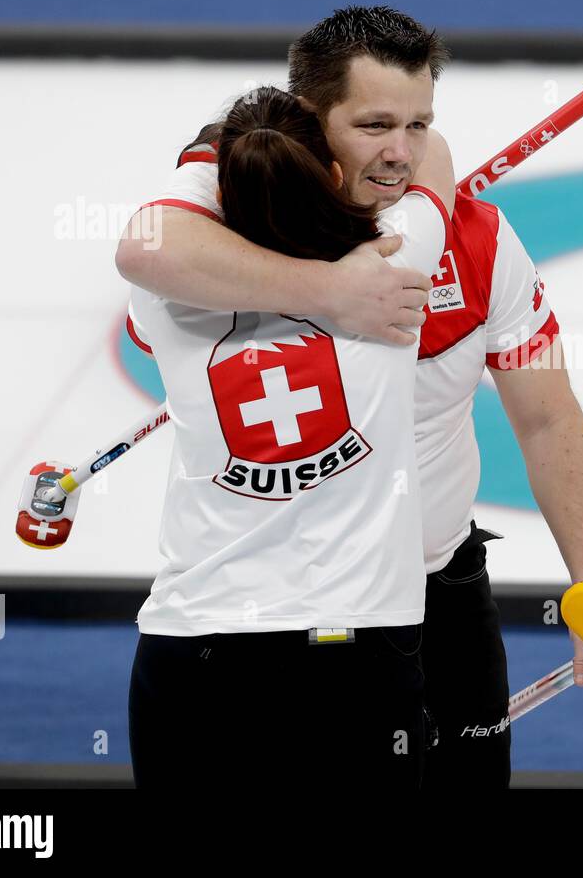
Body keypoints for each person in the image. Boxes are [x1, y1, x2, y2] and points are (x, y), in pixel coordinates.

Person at [117, 6, 583, 789]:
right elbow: (149, 246)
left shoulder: (478, 243)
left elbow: (550, 420)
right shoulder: (383, 249)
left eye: (419, 124)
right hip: (359, 634)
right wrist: (339, 292)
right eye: (376, 123)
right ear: (307, 126)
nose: (403, 150)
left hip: (430, 590)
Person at [124, 84, 455, 790]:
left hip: (193, 648)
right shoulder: (400, 258)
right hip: (356, 652)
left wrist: (229, 145)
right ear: (334, 174)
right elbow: (431, 161)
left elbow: (152, 238)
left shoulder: (160, 297)